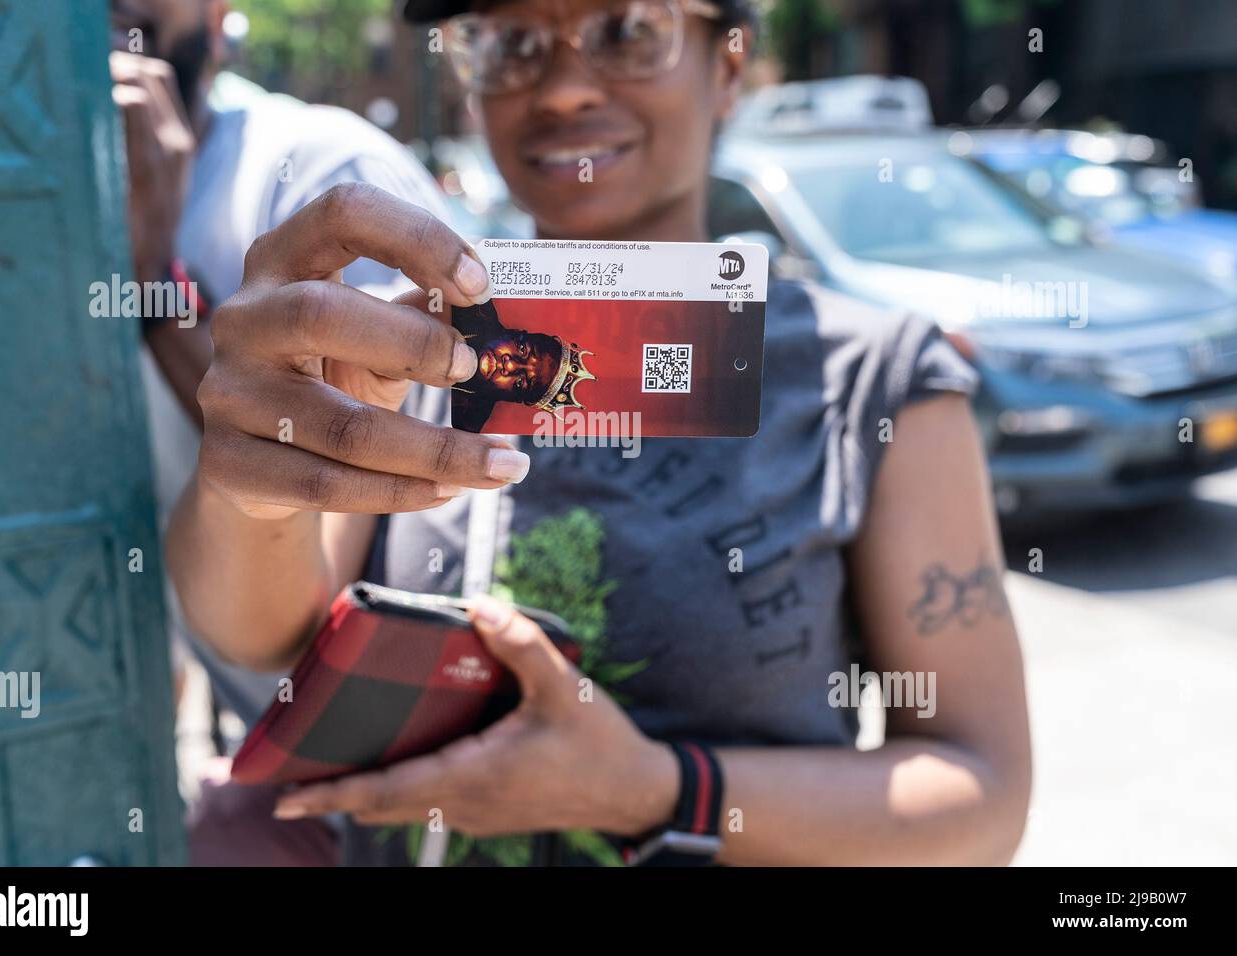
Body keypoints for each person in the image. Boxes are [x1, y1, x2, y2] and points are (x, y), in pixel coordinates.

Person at [167, 0, 1033, 865]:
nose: (566, 90)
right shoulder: (416, 347)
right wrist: (253, 479)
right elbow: (263, 635)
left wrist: (659, 788)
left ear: (726, 65)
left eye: (627, 30)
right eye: (511, 45)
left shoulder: (872, 378)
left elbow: (983, 799)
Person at [109, 0, 452, 864]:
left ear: (219, 13)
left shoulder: (320, 176)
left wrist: (154, 287)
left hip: (388, 788)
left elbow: (339, 496)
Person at [451, 301, 597, 431]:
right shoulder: (473, 304)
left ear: (512, 398)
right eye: (522, 349)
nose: (509, 365)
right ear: (515, 332)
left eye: (520, 383)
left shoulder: (466, 422)